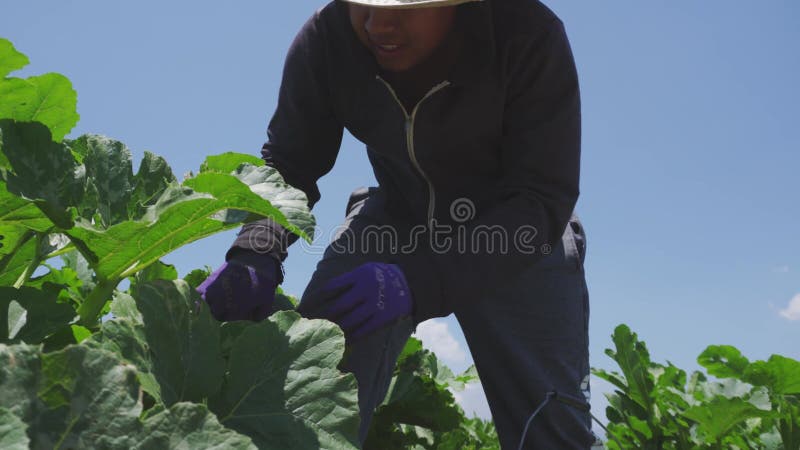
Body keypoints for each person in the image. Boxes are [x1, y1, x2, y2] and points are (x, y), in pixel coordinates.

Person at [197, 0, 595, 447]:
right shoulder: (327, 39)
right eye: (360, 3)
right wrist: (257, 249)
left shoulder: (527, 34)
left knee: (549, 431)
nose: (377, 23)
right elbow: (291, 162)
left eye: (405, 5)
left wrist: (422, 281)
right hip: (396, 219)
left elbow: (541, 197)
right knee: (310, 383)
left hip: (513, 234)